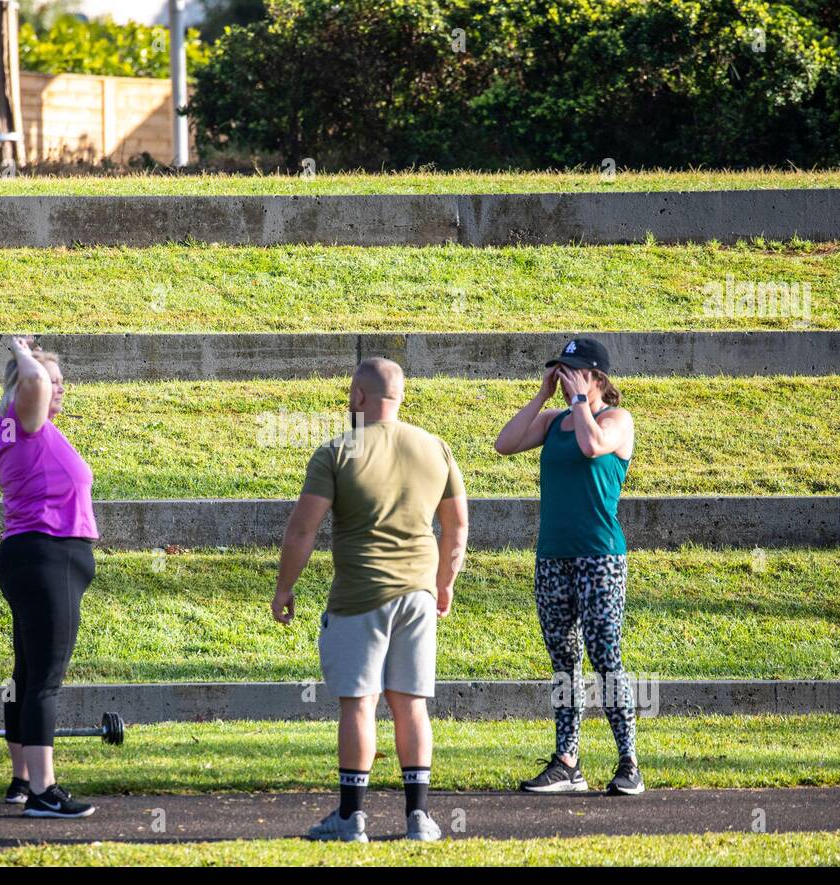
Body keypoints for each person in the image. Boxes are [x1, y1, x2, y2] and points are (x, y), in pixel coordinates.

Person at [272, 357, 469, 842]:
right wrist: (444, 581)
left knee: (358, 705)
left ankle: (351, 817)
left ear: (359, 397)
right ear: (399, 396)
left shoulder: (337, 451)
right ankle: (418, 818)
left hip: (359, 595)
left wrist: (284, 586)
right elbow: (457, 526)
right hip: (419, 594)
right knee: (412, 705)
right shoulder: (434, 448)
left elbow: (303, 529)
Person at [493, 337, 644, 796]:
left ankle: (628, 763)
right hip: (553, 556)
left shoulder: (615, 420)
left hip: (600, 557)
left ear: (598, 378)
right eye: (561, 371)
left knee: (605, 657)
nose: (566, 380)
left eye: (575, 371)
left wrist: (581, 400)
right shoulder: (553, 419)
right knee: (564, 662)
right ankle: (567, 761)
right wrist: (543, 394)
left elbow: (594, 445)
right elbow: (505, 443)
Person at [0, 336, 100, 818]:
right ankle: (44, 793)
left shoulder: (15, 428)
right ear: (24, 387)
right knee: (45, 681)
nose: (58, 389)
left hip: (34, 556)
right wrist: (22, 353)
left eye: (61, 383)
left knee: (28, 674)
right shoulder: (26, 422)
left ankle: (22, 779)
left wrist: (30, 365)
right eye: (51, 383)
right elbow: (30, 378)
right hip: (47, 557)